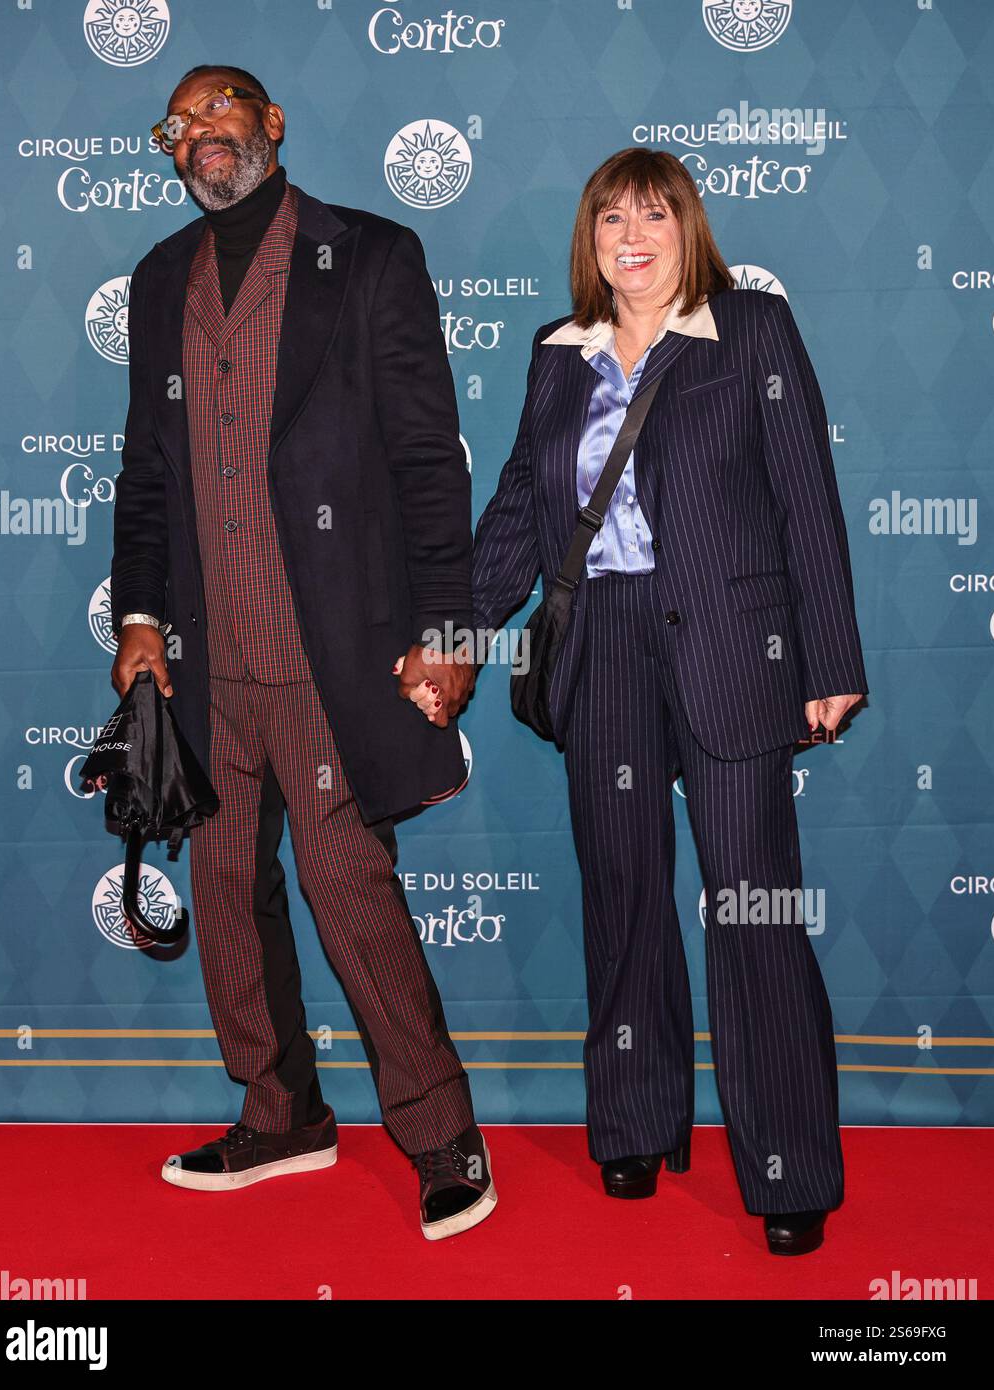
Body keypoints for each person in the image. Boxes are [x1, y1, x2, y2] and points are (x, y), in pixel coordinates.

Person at [453, 147, 867, 1255]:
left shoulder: (750, 333)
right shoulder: (556, 352)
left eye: (650, 213)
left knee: (753, 907)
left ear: (687, 226)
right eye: (605, 219)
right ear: (585, 241)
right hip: (603, 649)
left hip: (734, 646)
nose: (627, 234)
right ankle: (632, 1121)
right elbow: (514, 514)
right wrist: (452, 637)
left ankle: (786, 1165)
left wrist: (829, 660)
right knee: (624, 894)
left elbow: (804, 499)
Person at [110, 65, 493, 1241]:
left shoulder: (371, 256)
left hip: (331, 650)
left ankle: (440, 1136)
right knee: (225, 893)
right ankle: (280, 1114)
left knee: (346, 890)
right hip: (207, 659)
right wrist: (136, 617)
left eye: (221, 109)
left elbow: (432, 462)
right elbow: (148, 473)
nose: (201, 134)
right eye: (178, 125)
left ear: (272, 123)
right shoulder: (160, 279)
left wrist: (451, 629)